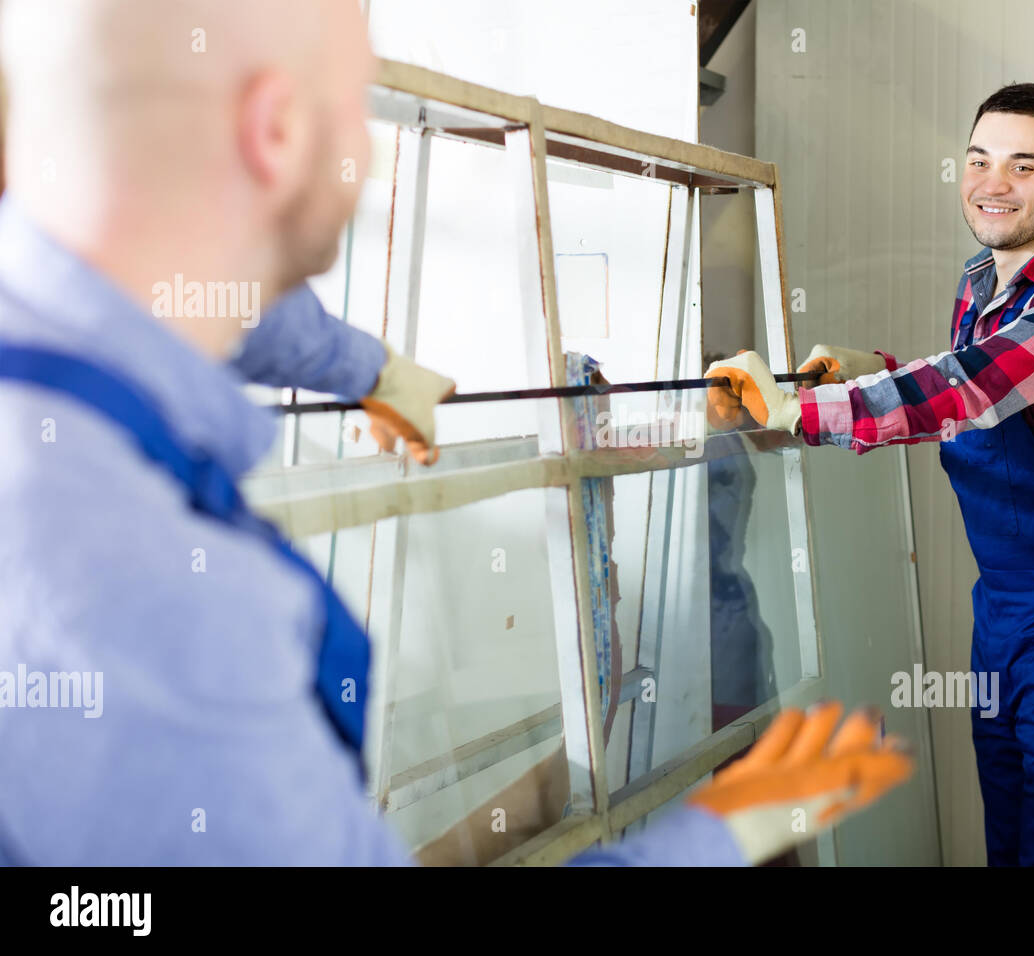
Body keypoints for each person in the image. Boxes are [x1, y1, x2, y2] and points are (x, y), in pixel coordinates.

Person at [0, 0, 911, 866]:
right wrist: (721, 833)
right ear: (275, 134)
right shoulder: (130, 586)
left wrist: (368, 372)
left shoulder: (51, 302)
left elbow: (222, 305)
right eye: (357, 101)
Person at [704, 83, 1034, 867]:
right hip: (1005, 609)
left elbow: (977, 388)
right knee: (1013, 841)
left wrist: (799, 410)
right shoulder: (981, 283)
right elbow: (982, 390)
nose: (993, 183)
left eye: (1024, 166)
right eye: (980, 160)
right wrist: (870, 371)